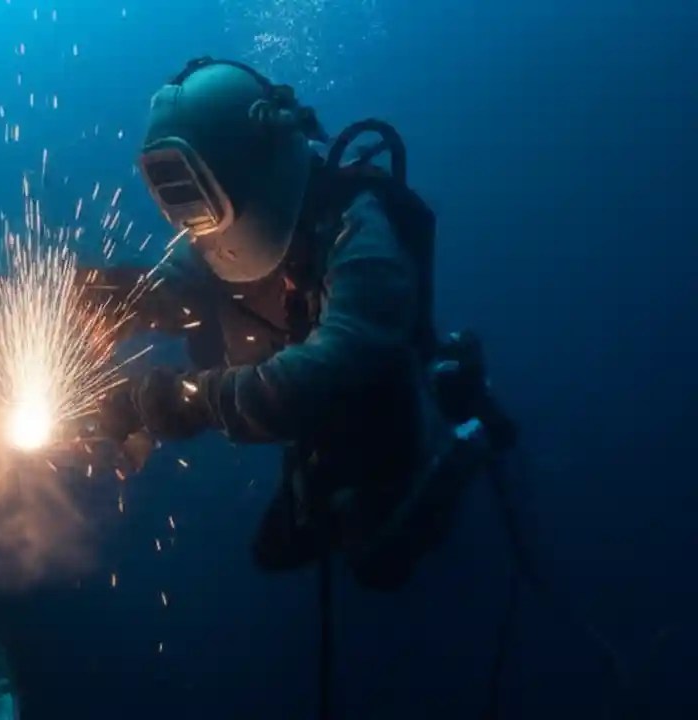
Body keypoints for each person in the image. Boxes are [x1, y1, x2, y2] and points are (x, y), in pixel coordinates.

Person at [90, 57, 518, 592]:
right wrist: (113, 300)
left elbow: (331, 367)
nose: (193, 220)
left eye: (200, 197)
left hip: (374, 410)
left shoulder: (360, 234)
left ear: (241, 171)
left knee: (378, 558)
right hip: (302, 412)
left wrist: (190, 400)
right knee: (276, 550)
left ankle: (463, 441)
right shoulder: (219, 231)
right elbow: (179, 284)